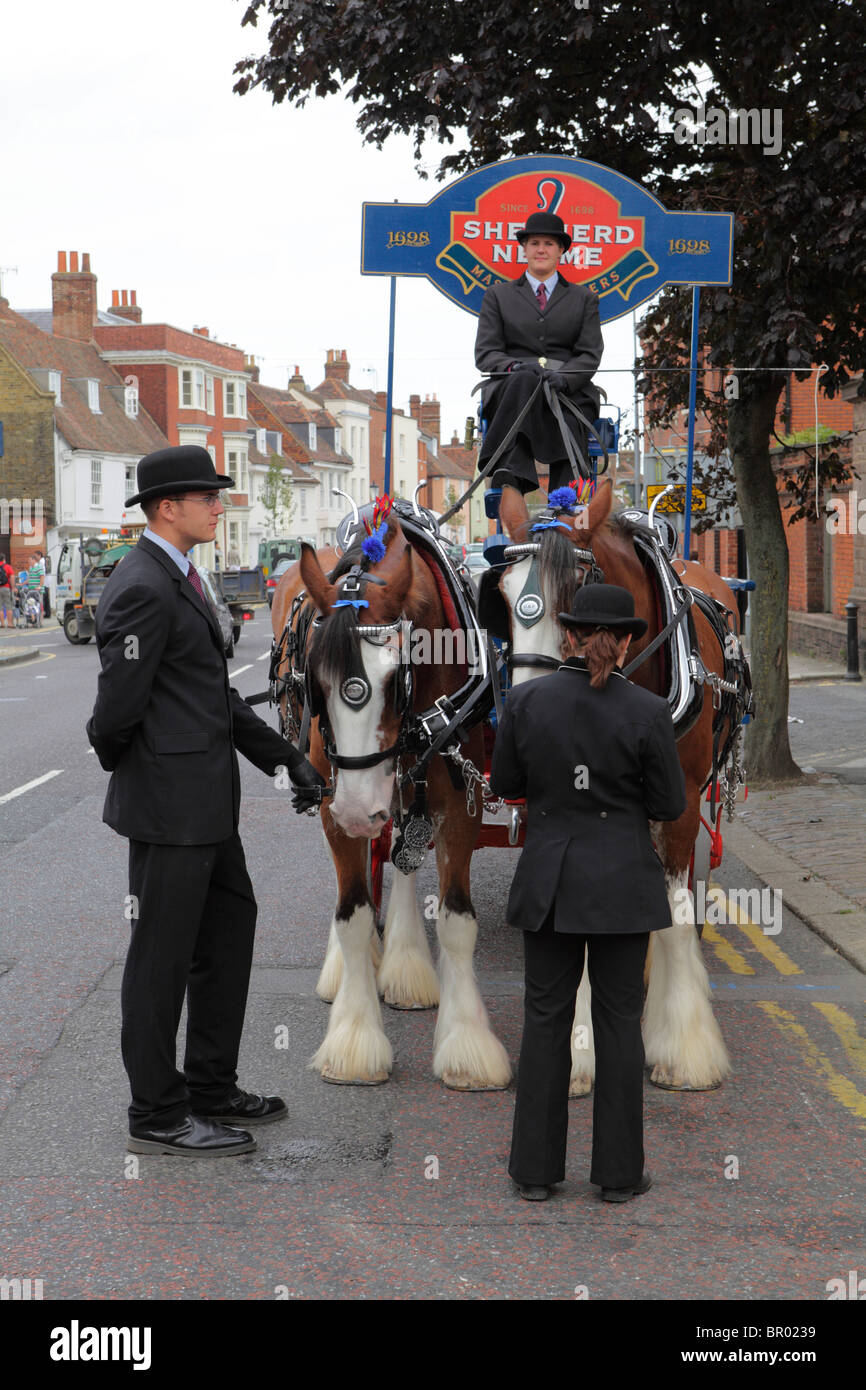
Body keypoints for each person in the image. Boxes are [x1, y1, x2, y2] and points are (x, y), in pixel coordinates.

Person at [86, 445, 325, 1158]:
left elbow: (210, 699)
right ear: (169, 507)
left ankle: (210, 1086)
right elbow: (115, 712)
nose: (221, 506)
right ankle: (157, 1111)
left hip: (208, 812)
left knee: (227, 937)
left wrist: (288, 763)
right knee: (160, 959)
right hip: (170, 812)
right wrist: (144, 773)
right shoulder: (143, 586)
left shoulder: (182, 576)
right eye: (209, 497)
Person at [489, 583, 686, 1203]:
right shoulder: (650, 712)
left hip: (549, 880)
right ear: (626, 641)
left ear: (568, 636)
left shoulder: (524, 701)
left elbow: (506, 783)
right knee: (618, 1024)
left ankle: (535, 1173)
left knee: (544, 1020)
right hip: (623, 885)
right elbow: (669, 804)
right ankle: (619, 1176)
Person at [474, 210, 603, 497]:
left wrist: (564, 378)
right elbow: (486, 352)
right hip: (513, 387)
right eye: (534, 243)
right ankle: (512, 472)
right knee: (523, 382)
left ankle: (567, 496)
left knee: (570, 419)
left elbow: (589, 354)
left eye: (548, 244)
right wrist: (517, 368)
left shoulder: (584, 299)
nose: (541, 250)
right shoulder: (498, 295)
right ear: (524, 249)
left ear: (561, 251)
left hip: (567, 390)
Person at [0, 554, 14, 628]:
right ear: (4, 559)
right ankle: (10, 624)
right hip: (6, 588)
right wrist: (13, 587)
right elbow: (12, 577)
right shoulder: (7, 567)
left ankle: (2, 624)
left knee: (0, 608)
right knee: (8, 606)